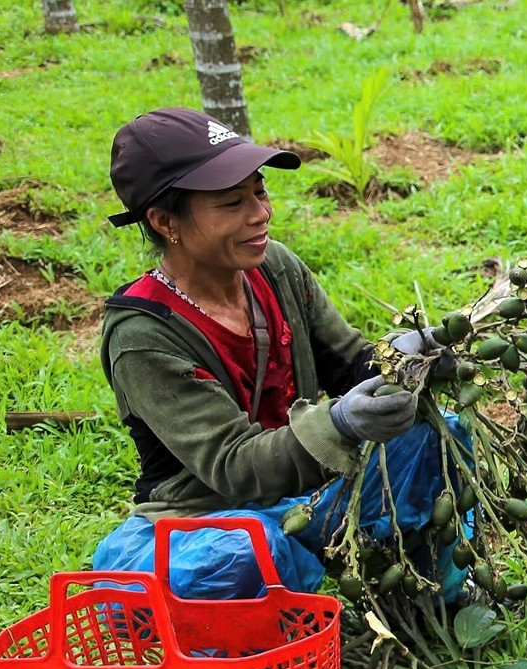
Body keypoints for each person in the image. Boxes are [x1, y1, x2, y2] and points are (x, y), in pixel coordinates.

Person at [92, 108, 462, 599]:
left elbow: (349, 363)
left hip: (306, 495)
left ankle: (428, 598)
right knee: (242, 554)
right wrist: (343, 423)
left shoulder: (275, 268)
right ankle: (245, 654)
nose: (260, 213)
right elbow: (234, 465)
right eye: (231, 203)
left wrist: (409, 361)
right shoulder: (143, 333)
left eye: (259, 191)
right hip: (204, 520)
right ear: (165, 222)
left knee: (437, 438)